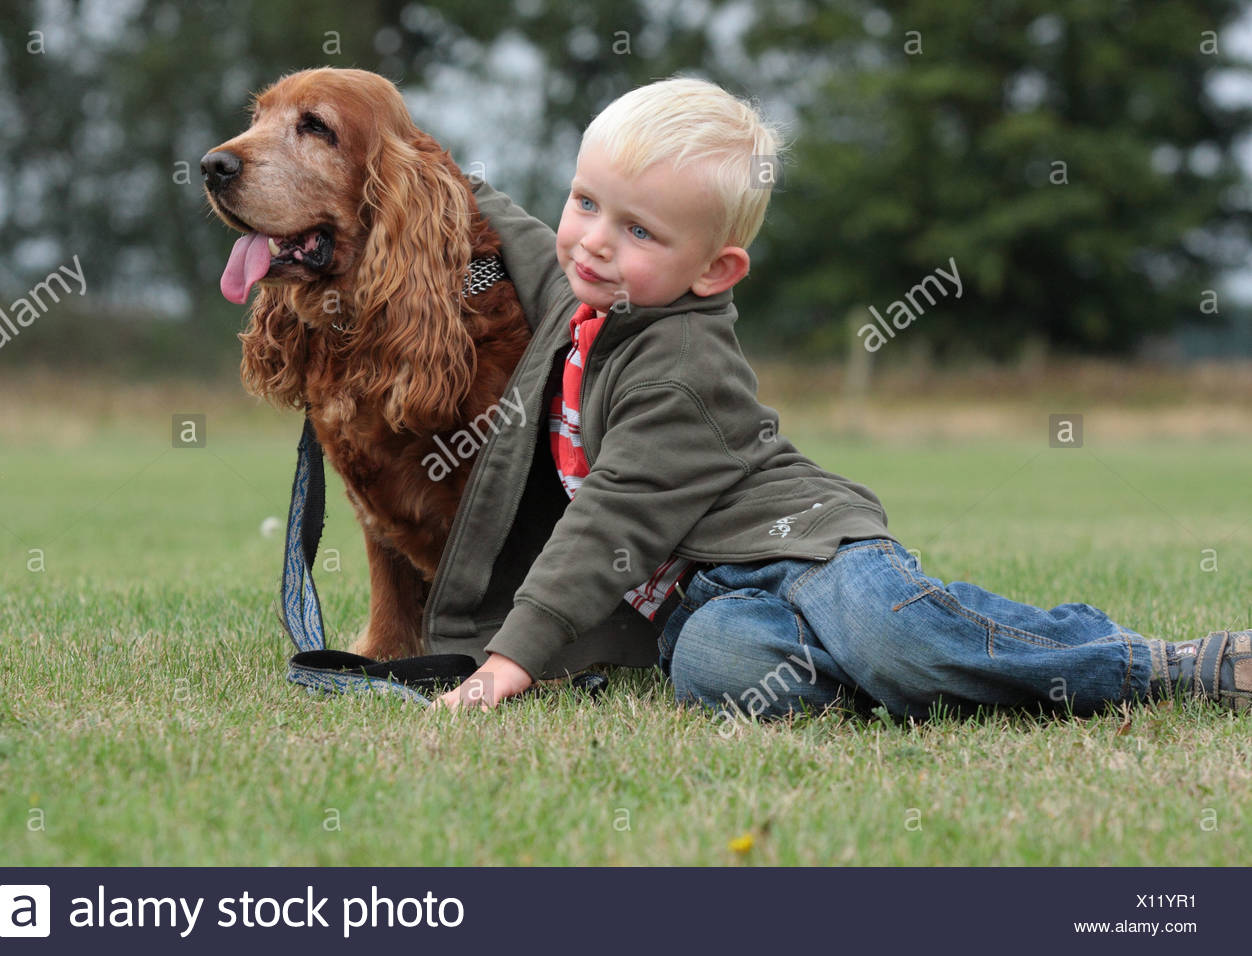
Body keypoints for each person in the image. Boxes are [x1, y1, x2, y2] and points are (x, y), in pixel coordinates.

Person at [431, 77, 1252, 718]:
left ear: (715, 270)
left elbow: (612, 516)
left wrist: (515, 657)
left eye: (640, 230)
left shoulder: (679, 364)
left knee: (892, 637)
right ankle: (925, 690)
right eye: (585, 202)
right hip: (713, 596)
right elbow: (528, 241)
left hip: (809, 547)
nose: (596, 239)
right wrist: (430, 163)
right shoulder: (589, 290)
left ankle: (1159, 665)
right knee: (720, 669)